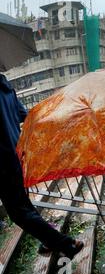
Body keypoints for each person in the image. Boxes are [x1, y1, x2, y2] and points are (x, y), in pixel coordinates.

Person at [0, 74, 83, 260]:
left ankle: (66, 243)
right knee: (23, 206)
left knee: (19, 212)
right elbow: (25, 115)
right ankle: (50, 241)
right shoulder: (5, 88)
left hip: (3, 163)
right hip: (16, 157)